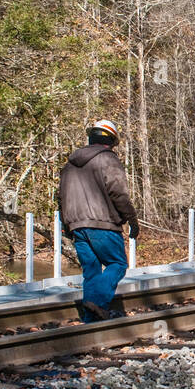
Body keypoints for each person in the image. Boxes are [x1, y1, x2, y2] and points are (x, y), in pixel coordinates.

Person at [58, 119, 139, 321]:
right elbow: (118, 193)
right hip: (103, 223)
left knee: (91, 271)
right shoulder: (108, 160)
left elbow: (61, 197)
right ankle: (98, 302)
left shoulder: (69, 165)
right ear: (111, 141)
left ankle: (90, 319)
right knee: (117, 264)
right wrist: (132, 220)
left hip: (77, 225)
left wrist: (66, 225)